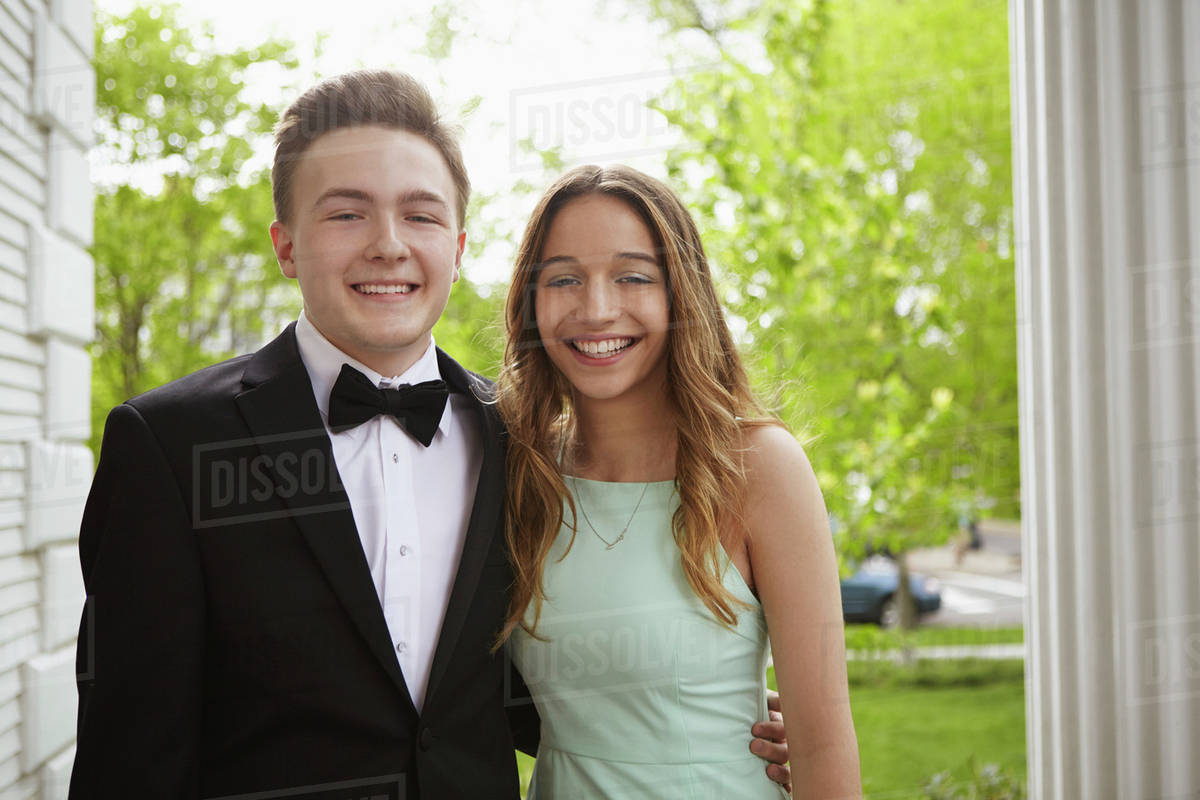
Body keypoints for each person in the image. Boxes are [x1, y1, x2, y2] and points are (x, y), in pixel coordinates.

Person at [69, 71, 788, 799]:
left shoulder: (521, 443)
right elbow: (126, 757)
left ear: (458, 244)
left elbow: (534, 687)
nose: (389, 245)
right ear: (286, 247)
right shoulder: (170, 446)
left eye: (420, 215)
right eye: (347, 215)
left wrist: (716, 710)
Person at [498, 165, 862, 798]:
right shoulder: (520, 469)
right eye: (564, 279)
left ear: (680, 295)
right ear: (531, 301)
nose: (597, 308)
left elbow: (824, 744)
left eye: (632, 276)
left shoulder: (758, 466)